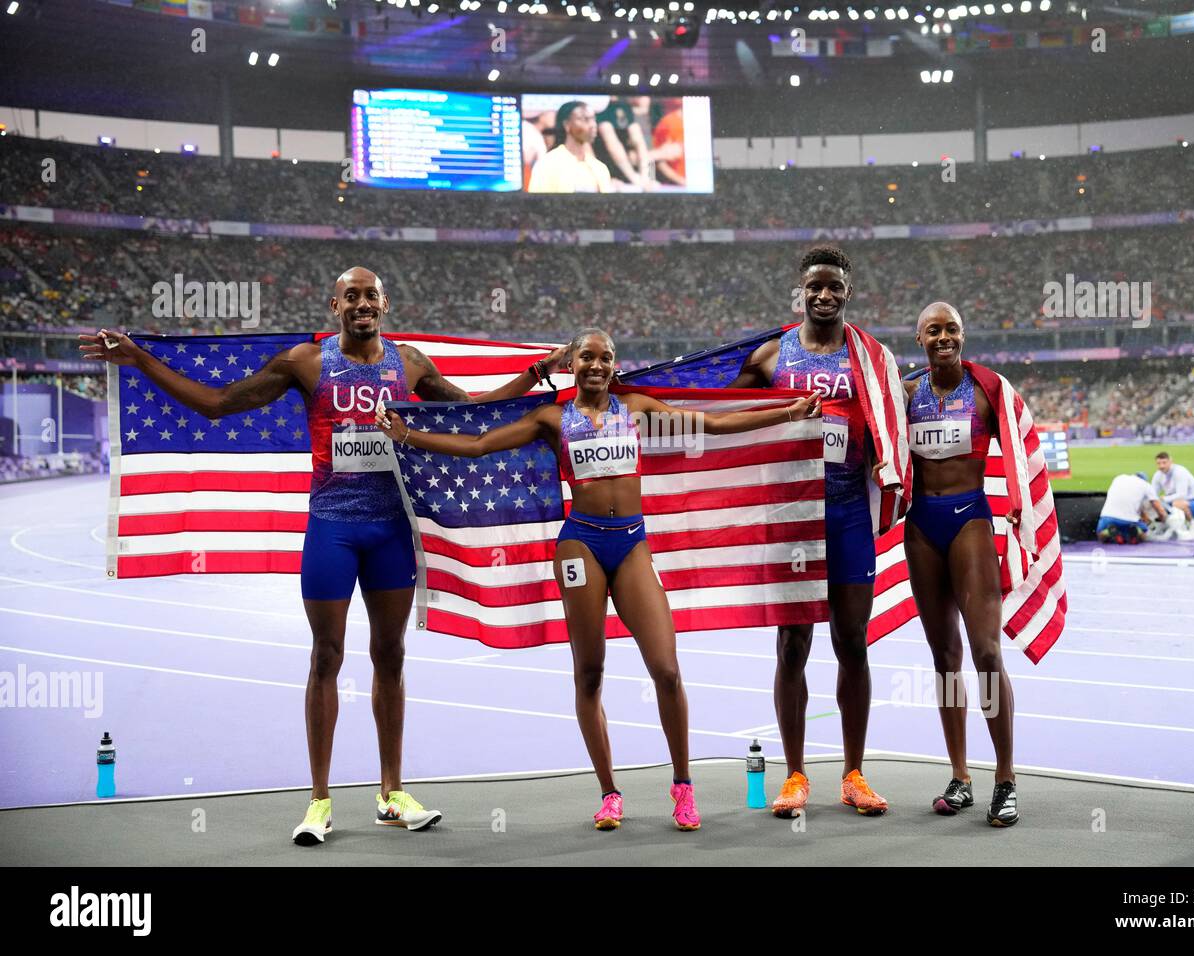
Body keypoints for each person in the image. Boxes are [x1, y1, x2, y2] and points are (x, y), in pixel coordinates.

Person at [79, 267, 566, 845]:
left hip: (390, 530)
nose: (362, 304)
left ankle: (391, 793)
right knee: (326, 657)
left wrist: (535, 374)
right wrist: (141, 361)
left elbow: (471, 412)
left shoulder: (409, 365)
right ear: (334, 305)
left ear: (385, 304)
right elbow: (215, 403)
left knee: (391, 655)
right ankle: (318, 801)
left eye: (371, 296)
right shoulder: (305, 364)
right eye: (351, 296)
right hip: (332, 529)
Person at [375, 327, 820, 831]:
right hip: (580, 544)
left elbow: (714, 425)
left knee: (666, 669)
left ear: (614, 364)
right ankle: (610, 792)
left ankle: (682, 786)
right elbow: (479, 446)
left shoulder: (635, 408)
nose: (595, 365)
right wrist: (407, 436)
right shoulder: (550, 417)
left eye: (605, 358)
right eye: (586, 356)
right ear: (573, 364)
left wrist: (788, 413)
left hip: (630, 543)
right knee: (589, 672)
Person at [727, 245, 899, 818]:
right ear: (801, 292)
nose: (824, 295)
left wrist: (886, 463)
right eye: (814, 287)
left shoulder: (871, 359)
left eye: (834, 286)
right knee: (792, 645)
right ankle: (796, 774)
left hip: (848, 508)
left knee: (853, 642)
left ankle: (852, 773)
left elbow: (890, 427)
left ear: (848, 291)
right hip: (792, 516)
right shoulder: (771, 357)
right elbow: (725, 415)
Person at [903, 302, 1019, 827]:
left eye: (951, 328)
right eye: (934, 330)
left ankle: (1005, 778)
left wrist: (1020, 503)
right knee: (944, 655)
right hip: (922, 526)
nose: (944, 336)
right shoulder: (905, 396)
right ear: (920, 339)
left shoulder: (987, 393)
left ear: (964, 335)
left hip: (971, 518)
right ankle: (961, 776)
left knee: (986, 652)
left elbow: (1018, 445)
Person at [526, 101, 613, 194]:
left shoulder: (600, 168)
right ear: (566, 124)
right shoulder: (548, 164)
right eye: (585, 119)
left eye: (593, 119)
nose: (593, 125)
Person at [1097, 471, 1167, 544]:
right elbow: (1157, 506)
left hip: (1107, 516)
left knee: (1101, 535)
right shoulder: (1146, 485)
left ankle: (1109, 533)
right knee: (1143, 534)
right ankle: (1135, 535)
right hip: (1130, 521)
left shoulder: (1119, 478)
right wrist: (1163, 518)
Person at [1152, 451, 1194, 527]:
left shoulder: (1179, 472)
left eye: (1164, 463)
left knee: (1177, 504)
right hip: (1173, 502)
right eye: (1159, 463)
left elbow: (1182, 495)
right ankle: (1165, 527)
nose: (1161, 466)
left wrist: (1163, 499)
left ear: (1171, 462)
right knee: (1155, 505)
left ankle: (1192, 526)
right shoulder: (1158, 475)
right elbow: (1152, 494)